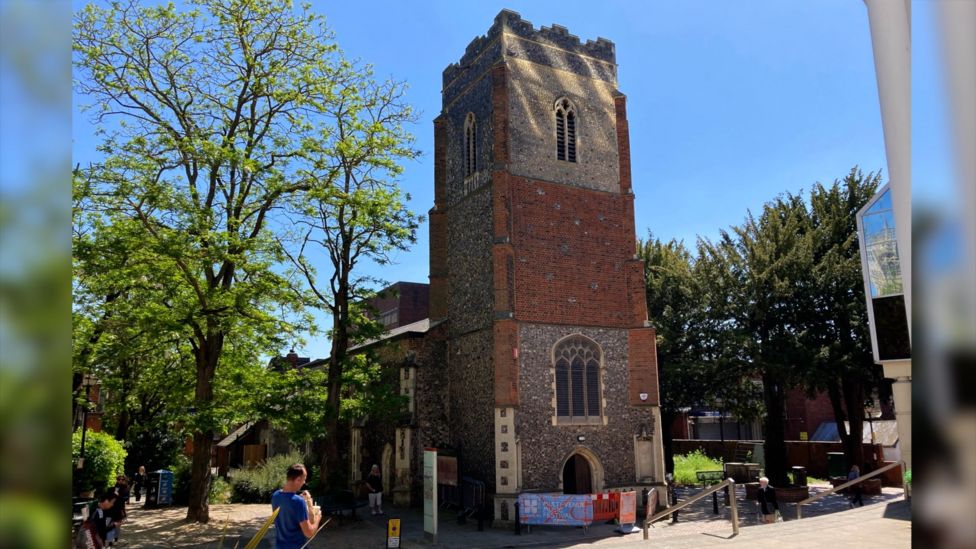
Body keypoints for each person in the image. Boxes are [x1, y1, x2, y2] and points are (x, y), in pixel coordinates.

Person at [271, 463, 321, 549]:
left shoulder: (275, 496)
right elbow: (309, 533)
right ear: (298, 479)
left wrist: (307, 502)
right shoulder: (298, 502)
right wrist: (318, 518)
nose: (304, 482)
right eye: (304, 479)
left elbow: (287, 516)